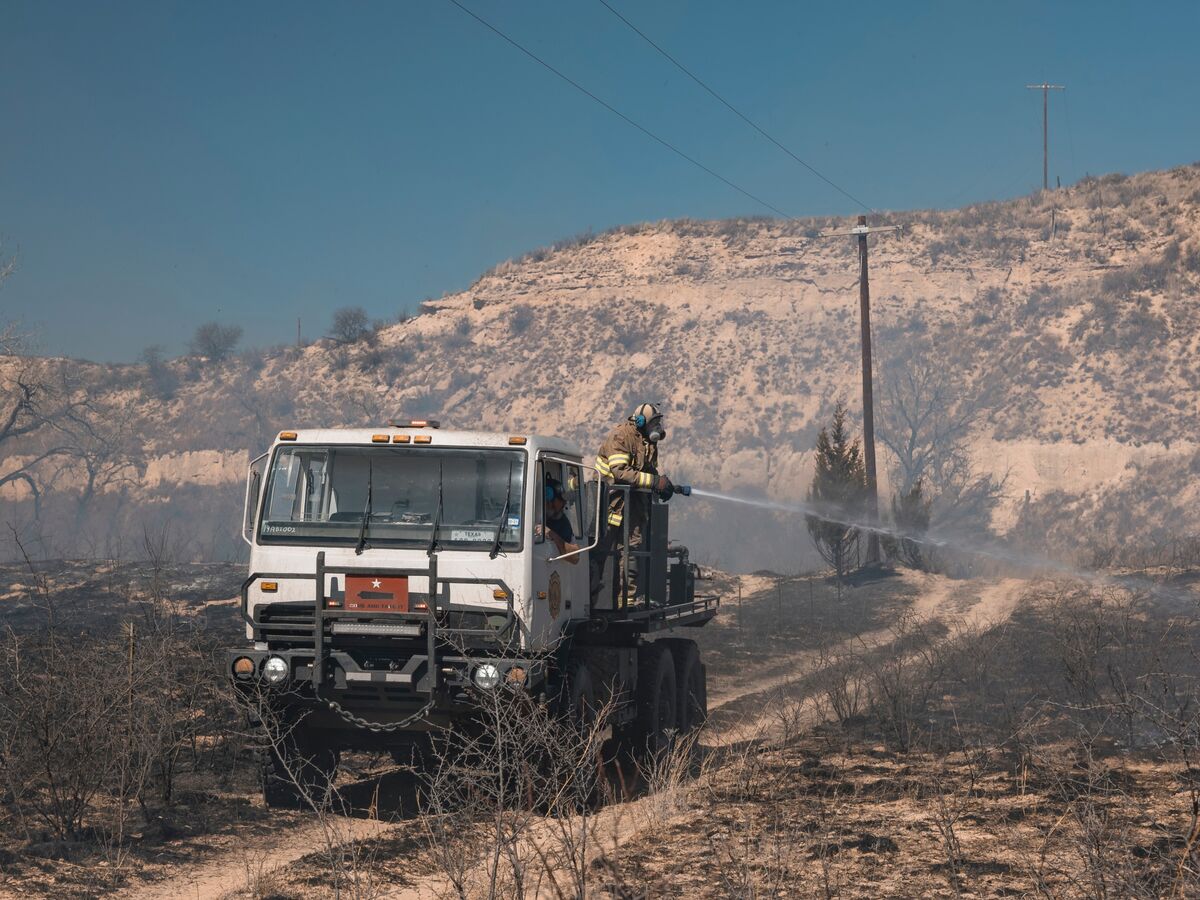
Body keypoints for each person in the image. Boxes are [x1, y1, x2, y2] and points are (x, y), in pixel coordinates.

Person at [594, 403, 674, 606]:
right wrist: (654, 482)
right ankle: (590, 600)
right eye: (654, 422)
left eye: (659, 423)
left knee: (631, 552)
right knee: (600, 554)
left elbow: (647, 471)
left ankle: (625, 601)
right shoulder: (621, 437)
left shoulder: (647, 442)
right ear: (640, 422)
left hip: (632, 506)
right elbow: (620, 472)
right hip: (610, 504)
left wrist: (661, 486)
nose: (658, 427)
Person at [536, 477, 580, 564]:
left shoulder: (562, 523)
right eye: (560, 500)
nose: (563, 503)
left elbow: (575, 558)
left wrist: (552, 534)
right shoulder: (529, 514)